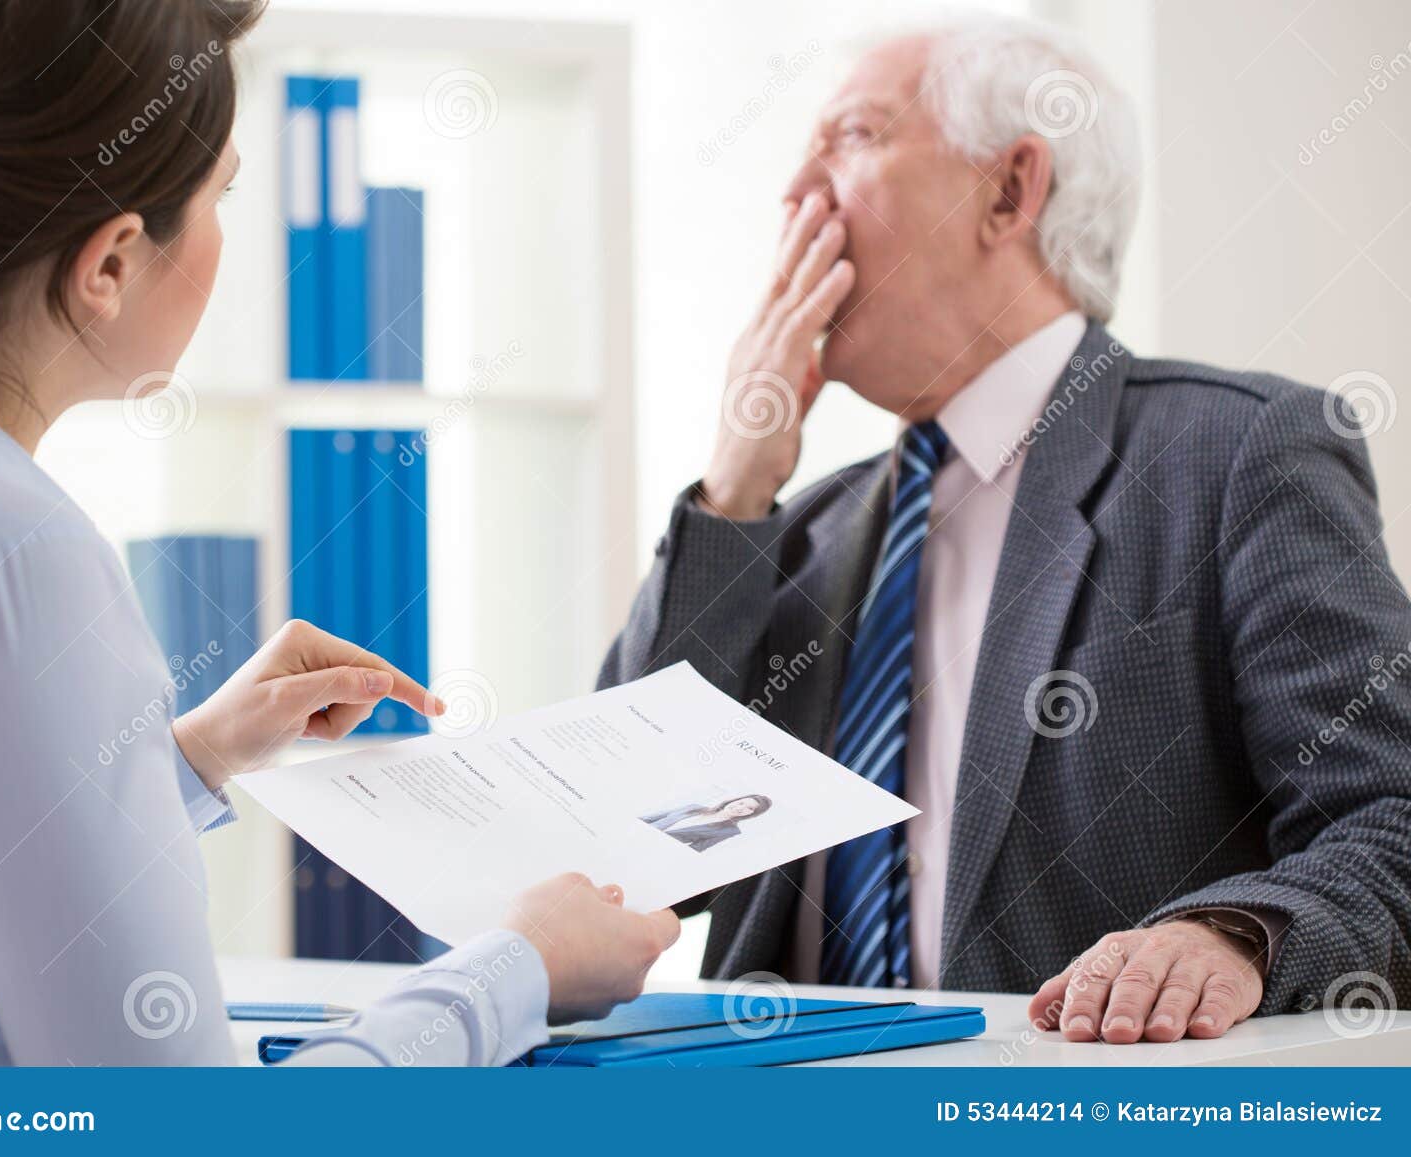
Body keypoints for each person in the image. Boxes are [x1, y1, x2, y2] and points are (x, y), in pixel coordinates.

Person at [0, 0, 678, 1067]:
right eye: (220, 194)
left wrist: (189, 758)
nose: (229, 237)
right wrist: (523, 964)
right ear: (113, 261)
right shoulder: (5, 554)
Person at [601, 15, 1411, 1045]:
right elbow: (626, 845)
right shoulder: (787, 527)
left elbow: (1388, 814)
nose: (795, 190)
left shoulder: (1241, 455)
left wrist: (1233, 935)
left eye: (850, 135)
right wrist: (731, 487)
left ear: (1008, 190)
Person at [641, 795, 773, 853]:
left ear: (751, 814)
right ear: (735, 800)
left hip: (655, 851)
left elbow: (695, 849)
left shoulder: (729, 831)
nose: (740, 808)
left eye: (750, 809)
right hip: (638, 834)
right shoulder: (694, 807)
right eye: (741, 802)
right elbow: (649, 818)